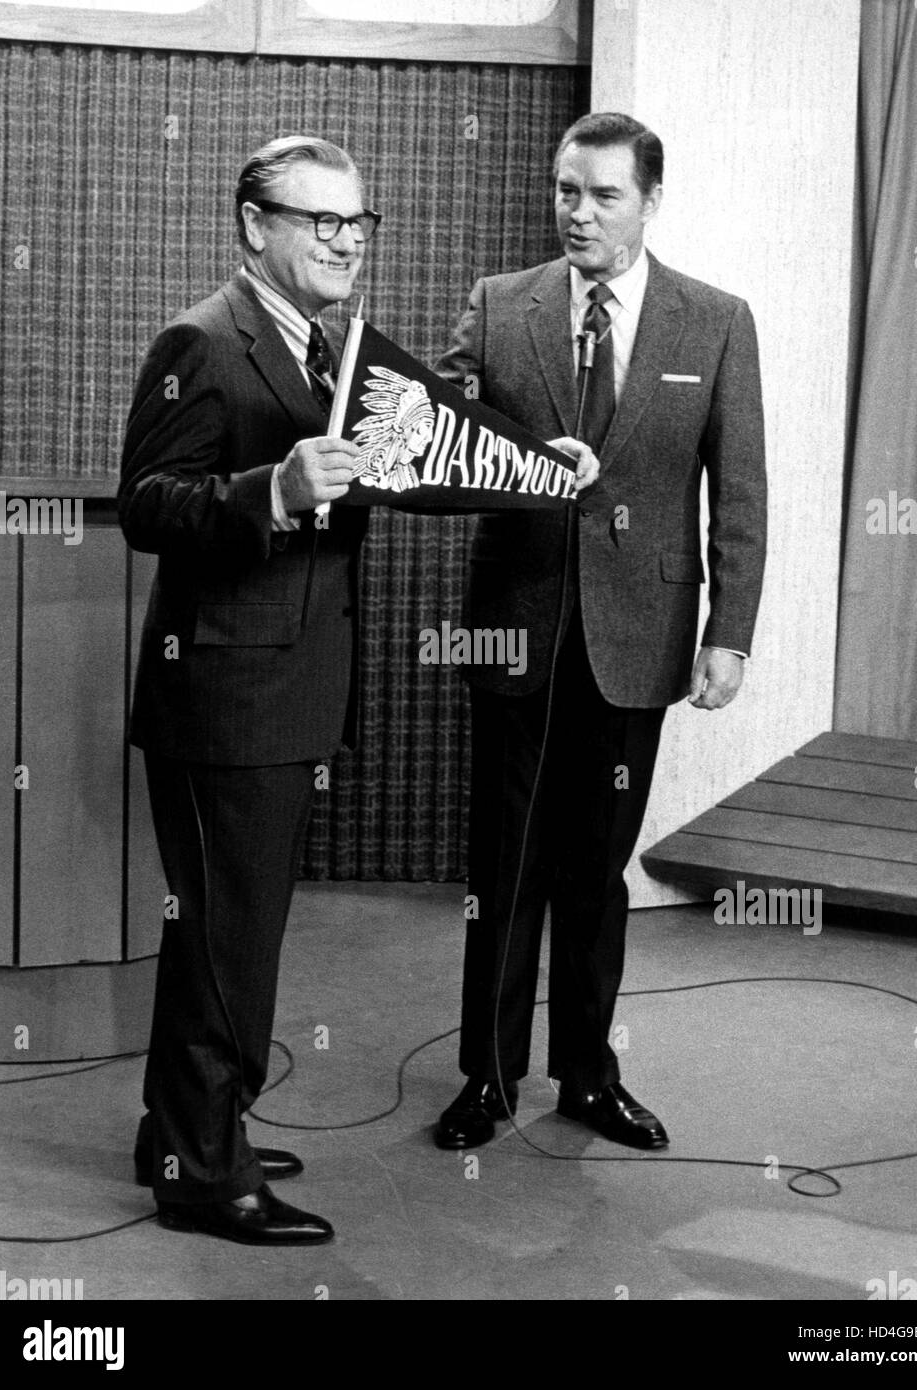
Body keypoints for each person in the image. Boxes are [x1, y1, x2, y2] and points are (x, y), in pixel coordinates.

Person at [433, 112, 767, 1151]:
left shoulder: (713, 320)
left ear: (649, 202)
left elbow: (741, 489)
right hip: (517, 633)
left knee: (595, 866)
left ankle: (587, 1075)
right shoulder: (500, 305)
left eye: (602, 196)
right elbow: (433, 440)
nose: (577, 213)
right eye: (564, 191)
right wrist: (525, 464)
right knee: (504, 868)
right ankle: (486, 1080)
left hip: (639, 639)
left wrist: (730, 631)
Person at [119, 134, 377, 1245]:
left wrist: (528, 463)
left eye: (355, 223)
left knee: (221, 932)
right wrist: (269, 489)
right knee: (233, 941)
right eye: (318, 220)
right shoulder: (204, 340)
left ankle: (183, 1127)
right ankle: (201, 1175)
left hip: (283, 688)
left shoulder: (329, 349)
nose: (342, 241)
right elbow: (146, 504)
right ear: (253, 226)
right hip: (227, 698)